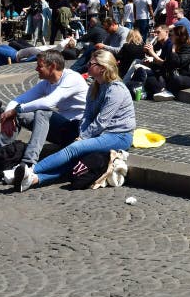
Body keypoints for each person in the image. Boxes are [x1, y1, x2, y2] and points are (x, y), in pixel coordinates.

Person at [13, 50, 136, 192]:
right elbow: (87, 115)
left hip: (118, 135)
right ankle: (34, 180)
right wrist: (82, 133)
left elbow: (102, 121)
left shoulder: (116, 90)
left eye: (91, 63)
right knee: (75, 155)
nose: (87, 65)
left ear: (102, 67)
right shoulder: (94, 87)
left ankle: (30, 170)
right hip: (100, 133)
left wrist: (82, 138)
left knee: (75, 148)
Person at [0, 50, 88, 184]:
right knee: (18, 114)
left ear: (52, 67)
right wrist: (9, 114)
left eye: (40, 66)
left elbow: (49, 102)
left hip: (77, 130)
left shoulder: (72, 78)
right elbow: (20, 99)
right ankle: (0, 157)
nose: (36, 69)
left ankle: (28, 163)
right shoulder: (47, 83)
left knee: (42, 111)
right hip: (61, 128)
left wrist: (16, 110)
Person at [143, 25, 190, 100]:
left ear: (178, 36)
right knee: (152, 78)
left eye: (172, 35)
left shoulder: (189, 48)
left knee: (175, 79)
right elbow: (166, 64)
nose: (170, 37)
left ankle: (164, 90)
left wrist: (173, 52)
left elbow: (179, 63)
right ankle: (161, 90)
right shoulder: (173, 46)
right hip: (176, 74)